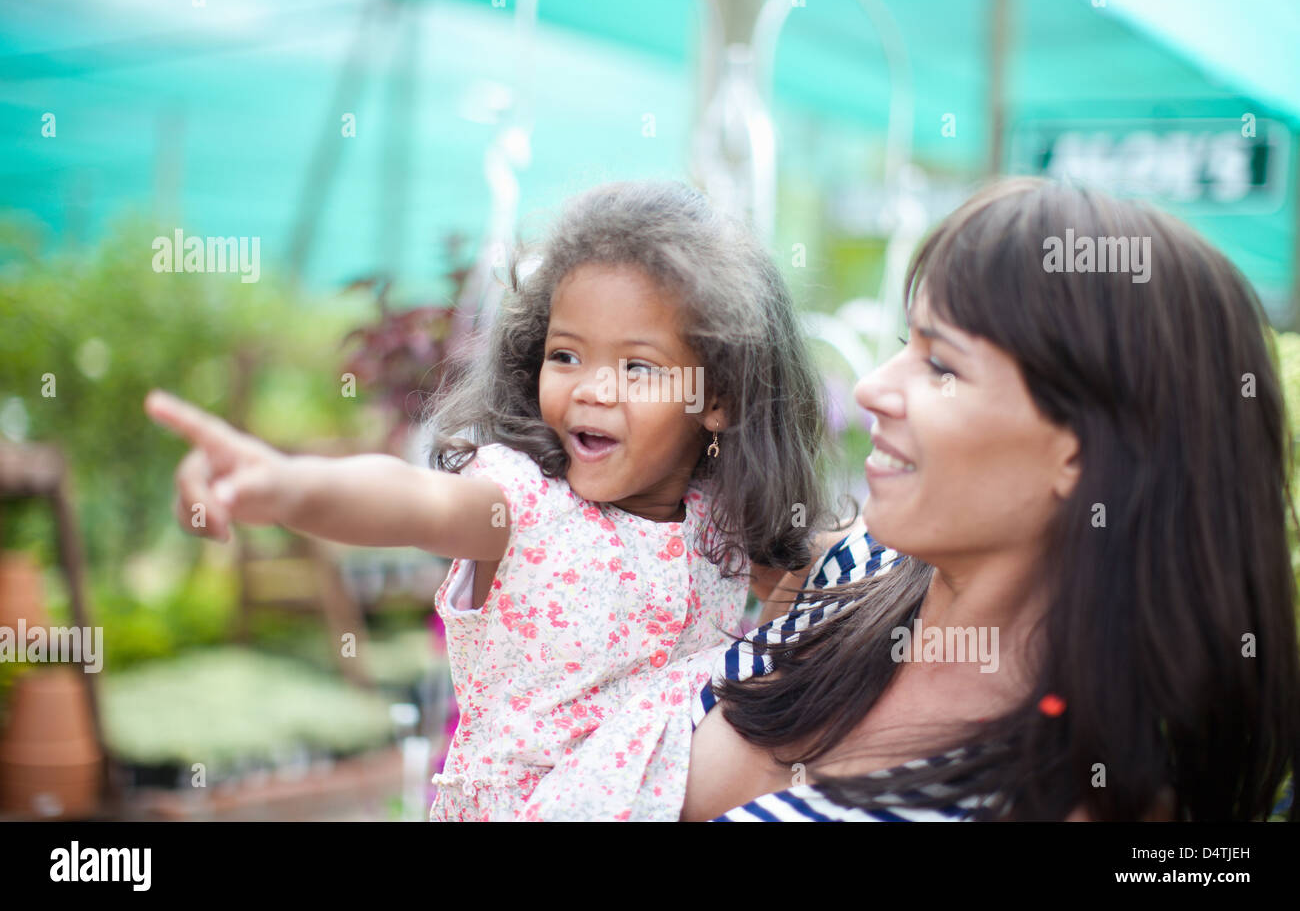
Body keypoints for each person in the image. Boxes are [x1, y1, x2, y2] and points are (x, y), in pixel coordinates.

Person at [539, 176, 1300, 821]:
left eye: (941, 366)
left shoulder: (1058, 797)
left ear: (1082, 448)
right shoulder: (856, 572)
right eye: (906, 343)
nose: (874, 387)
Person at [144, 179, 833, 822]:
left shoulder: (721, 526)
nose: (592, 388)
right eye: (566, 356)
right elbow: (410, 498)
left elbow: (802, 590)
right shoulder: (521, 502)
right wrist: (289, 488)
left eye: (636, 366)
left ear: (716, 398)